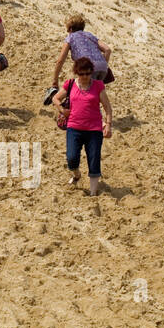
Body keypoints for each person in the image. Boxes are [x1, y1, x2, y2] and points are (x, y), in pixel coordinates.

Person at [53, 57, 113, 196]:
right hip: (74, 127)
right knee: (72, 158)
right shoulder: (70, 84)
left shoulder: (98, 85)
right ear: (77, 73)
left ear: (91, 72)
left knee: (94, 159)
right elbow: (56, 98)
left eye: (87, 73)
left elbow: (107, 108)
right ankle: (77, 174)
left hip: (94, 130)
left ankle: (93, 192)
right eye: (81, 73)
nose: (85, 76)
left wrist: (108, 125)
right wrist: (62, 110)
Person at [50, 15, 113, 92]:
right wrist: (104, 64)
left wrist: (55, 81)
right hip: (103, 68)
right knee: (96, 93)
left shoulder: (70, 37)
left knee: (82, 94)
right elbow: (107, 50)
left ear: (70, 29)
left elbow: (60, 60)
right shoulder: (90, 35)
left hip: (87, 68)